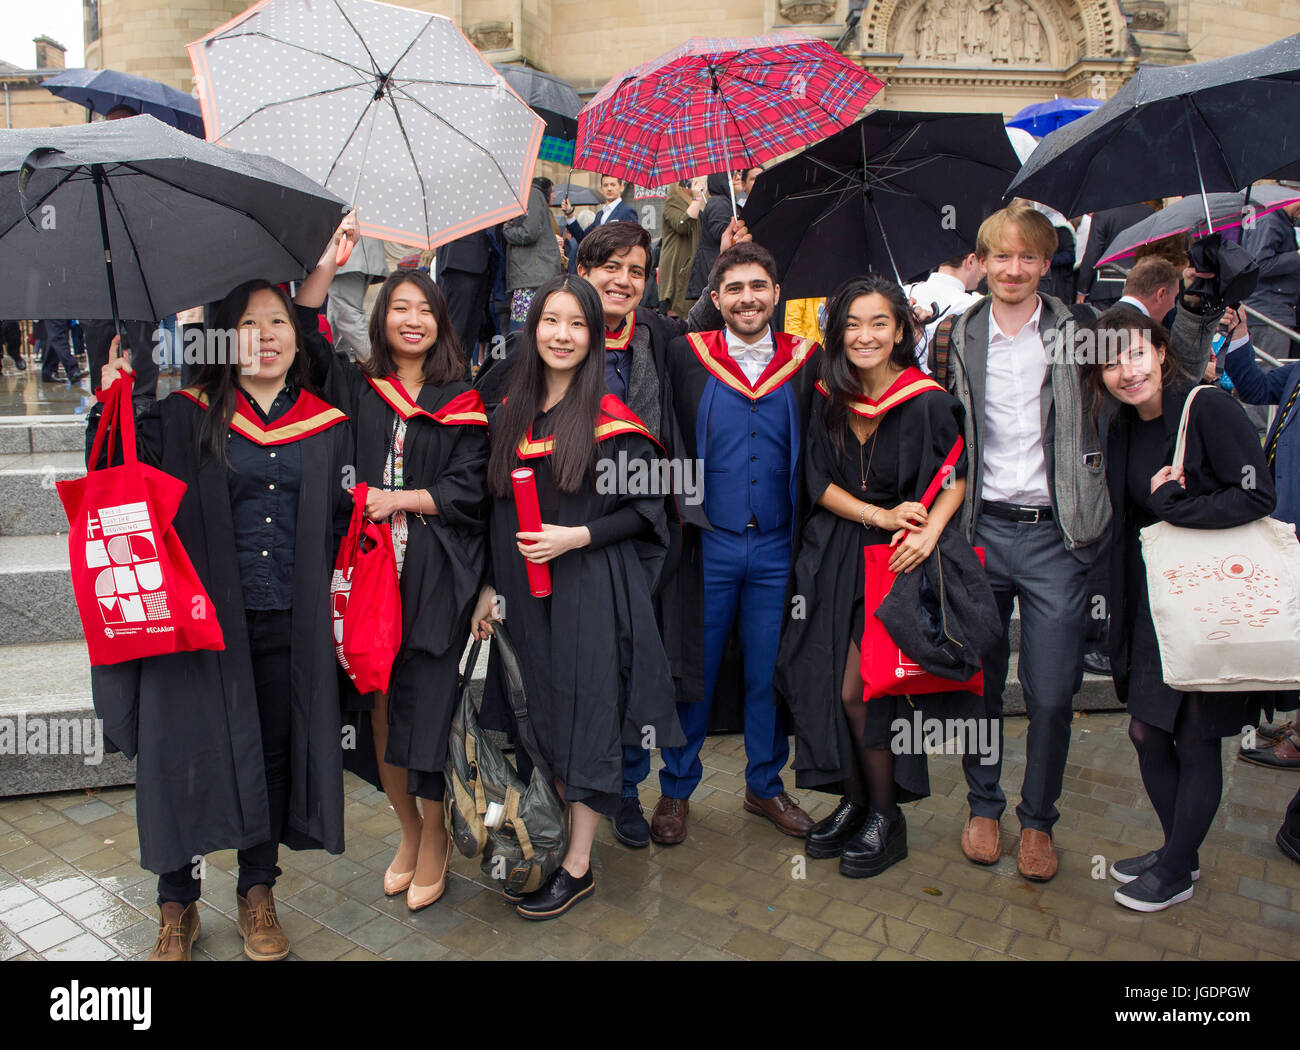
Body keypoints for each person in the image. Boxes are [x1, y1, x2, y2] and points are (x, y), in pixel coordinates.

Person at [930, 202, 1220, 882]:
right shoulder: (956, 334)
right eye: (1001, 255)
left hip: (1058, 537)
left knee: (1054, 690)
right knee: (979, 682)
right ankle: (983, 804)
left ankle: (1038, 820)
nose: (1013, 268)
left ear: (1045, 262)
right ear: (984, 258)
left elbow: (1158, 370)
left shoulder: (1080, 329)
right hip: (979, 529)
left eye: (1028, 256)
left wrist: (1199, 307)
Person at [89, 274, 353, 961]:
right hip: (196, 627)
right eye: (249, 324)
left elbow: (339, 517)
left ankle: (257, 892)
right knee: (183, 757)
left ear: (300, 339)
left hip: (283, 622)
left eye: (279, 324)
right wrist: (112, 399)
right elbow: (119, 475)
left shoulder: (324, 425)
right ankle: (176, 902)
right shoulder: (184, 414)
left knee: (267, 754)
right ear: (221, 336)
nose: (264, 337)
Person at [470, 274, 682, 919]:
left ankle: (580, 865)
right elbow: (489, 507)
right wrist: (485, 585)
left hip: (588, 586)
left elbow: (649, 515)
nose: (562, 335)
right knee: (539, 715)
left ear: (595, 336)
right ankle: (552, 835)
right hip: (519, 591)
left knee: (587, 717)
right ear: (533, 330)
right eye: (550, 321)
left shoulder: (611, 419)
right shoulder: (506, 406)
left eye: (577, 324)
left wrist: (578, 535)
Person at [298, 228, 490, 912]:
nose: (412, 320)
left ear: (441, 324)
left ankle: (436, 838)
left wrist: (403, 499)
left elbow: (475, 488)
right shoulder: (360, 387)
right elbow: (306, 347)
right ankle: (406, 830)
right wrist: (325, 269)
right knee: (379, 707)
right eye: (399, 308)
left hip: (437, 576)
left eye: (425, 311)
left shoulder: (463, 401)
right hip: (370, 578)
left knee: (429, 713)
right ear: (383, 319)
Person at [774, 275, 976, 878]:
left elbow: (955, 473)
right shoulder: (829, 396)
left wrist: (927, 530)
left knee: (863, 690)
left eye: (879, 323)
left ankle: (888, 817)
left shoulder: (929, 400)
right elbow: (817, 482)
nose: (865, 336)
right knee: (822, 682)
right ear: (836, 333)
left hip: (895, 562)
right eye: (853, 324)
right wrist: (877, 513)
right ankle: (856, 800)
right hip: (833, 552)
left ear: (900, 331)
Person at [1082, 306, 1275, 911]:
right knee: (1144, 731)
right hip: (1149, 607)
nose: (1126, 370)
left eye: (1136, 353)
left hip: (1204, 601)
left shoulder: (1207, 407)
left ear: (1162, 351)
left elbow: (1257, 493)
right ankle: (1175, 853)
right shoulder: (1119, 425)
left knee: (1193, 741)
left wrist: (1177, 505)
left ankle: (1177, 867)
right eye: (1110, 362)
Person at [652, 242, 820, 845]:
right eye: (734, 288)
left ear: (777, 294)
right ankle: (675, 789)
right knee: (693, 670)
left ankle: (765, 785)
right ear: (716, 298)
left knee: (766, 671)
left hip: (778, 546)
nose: (747, 298)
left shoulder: (808, 363)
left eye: (758, 286)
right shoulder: (685, 356)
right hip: (709, 546)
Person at [1221, 304, 1300, 771]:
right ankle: (1280, 716)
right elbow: (1253, 386)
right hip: (1280, 525)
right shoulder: (1294, 374)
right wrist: (1241, 335)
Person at [503, 176, 564, 333]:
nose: (554, 196)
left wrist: (507, 229)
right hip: (533, 275)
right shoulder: (535, 196)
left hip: (531, 278)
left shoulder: (532, 194)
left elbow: (529, 233)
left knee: (523, 330)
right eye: (553, 191)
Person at [1241, 198, 1300, 361]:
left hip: (1273, 309)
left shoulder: (1278, 221)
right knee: (1268, 372)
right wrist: (1297, 256)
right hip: (1268, 312)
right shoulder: (1269, 220)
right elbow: (1260, 264)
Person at [436, 228, 497, 376]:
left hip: (482, 263)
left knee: (470, 330)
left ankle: (461, 377)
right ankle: (449, 377)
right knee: (457, 330)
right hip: (460, 263)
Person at [1077, 202, 1159, 309]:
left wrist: (1083, 289)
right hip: (1139, 282)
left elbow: (1092, 253)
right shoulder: (1148, 212)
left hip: (1106, 284)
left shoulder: (1102, 214)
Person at [904, 251, 985, 351]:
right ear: (971, 261)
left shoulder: (904, 292)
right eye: (982, 262)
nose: (985, 271)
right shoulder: (976, 306)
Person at [325, 235, 388, 364]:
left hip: (348, 249)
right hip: (358, 249)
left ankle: (380, 367)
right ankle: (334, 367)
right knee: (338, 318)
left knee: (346, 316)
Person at [686, 172, 736, 305]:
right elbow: (719, 231)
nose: (737, 179)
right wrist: (734, 229)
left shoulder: (721, 201)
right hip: (711, 264)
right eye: (734, 175)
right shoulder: (719, 202)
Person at [659, 180, 703, 319]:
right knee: (678, 314)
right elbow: (682, 224)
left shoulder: (700, 203)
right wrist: (696, 199)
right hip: (678, 265)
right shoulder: (673, 202)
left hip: (694, 265)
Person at [559, 174, 638, 250]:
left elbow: (631, 242)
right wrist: (569, 214)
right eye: (605, 185)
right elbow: (583, 239)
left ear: (621, 187)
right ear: (601, 189)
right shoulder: (599, 215)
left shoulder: (627, 212)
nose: (609, 188)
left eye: (613, 185)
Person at [1116, 256, 1180, 323]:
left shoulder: (1105, 319)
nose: (1173, 305)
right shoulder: (1140, 328)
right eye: (1174, 296)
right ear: (1161, 294)